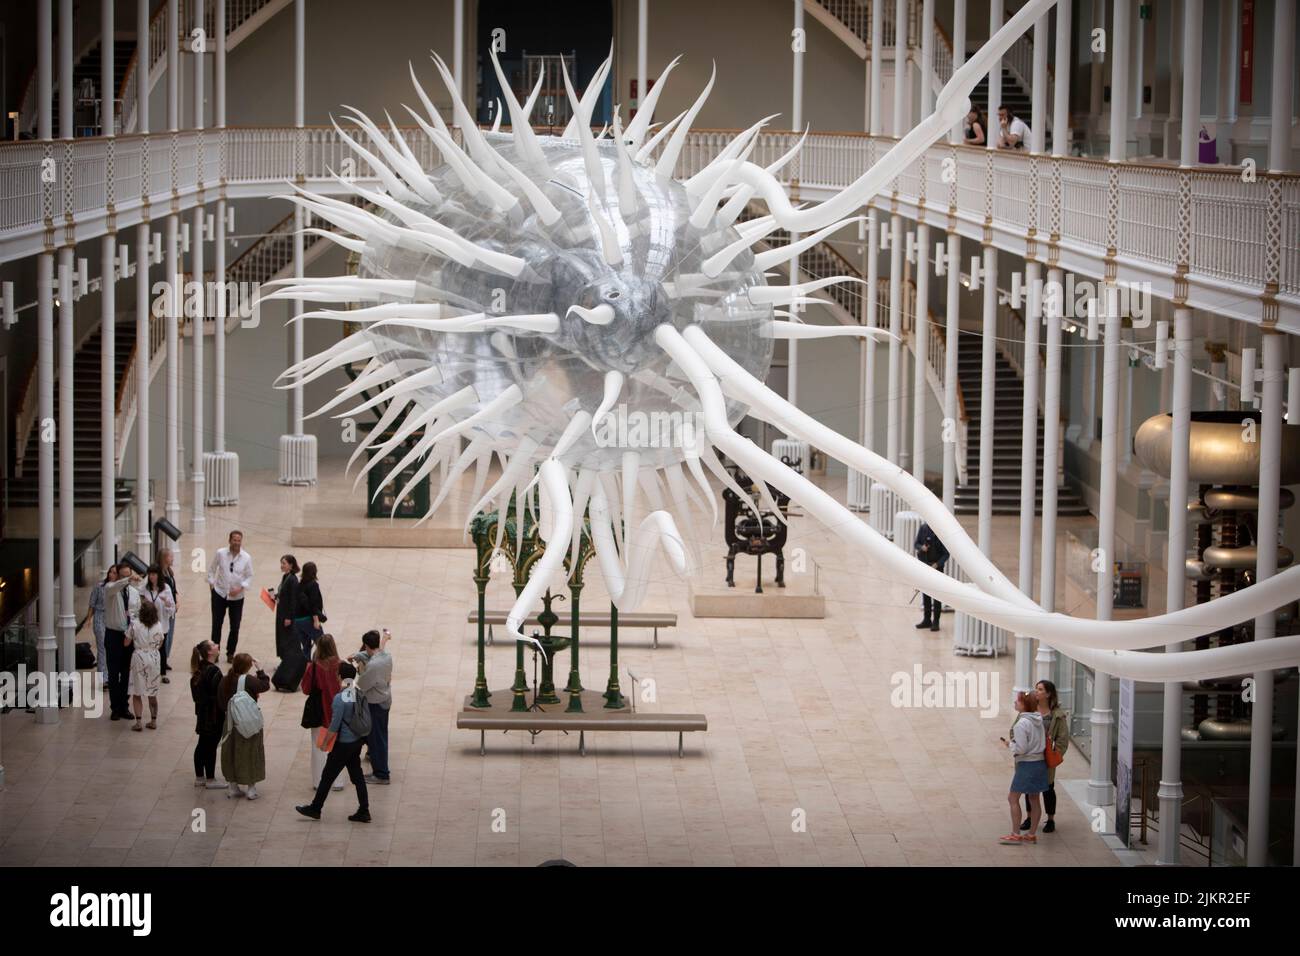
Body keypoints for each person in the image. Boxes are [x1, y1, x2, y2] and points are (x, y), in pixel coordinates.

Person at [295, 660, 371, 822]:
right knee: (357, 776)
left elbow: (334, 725)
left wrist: (324, 743)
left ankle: (315, 808)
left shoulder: (340, 698)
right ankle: (364, 810)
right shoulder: (357, 692)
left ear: (340, 677)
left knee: (327, 776)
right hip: (356, 742)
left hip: (343, 744)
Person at [218, 652, 271, 799]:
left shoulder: (224, 680)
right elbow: (265, 685)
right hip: (247, 724)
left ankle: (233, 787)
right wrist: (260, 670)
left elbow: (221, 702)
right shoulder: (248, 680)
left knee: (231, 753)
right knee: (251, 753)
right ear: (248, 666)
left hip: (230, 723)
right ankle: (251, 789)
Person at [1019, 679, 1069, 833]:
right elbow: (1016, 729)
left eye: (1040, 689)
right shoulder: (1029, 711)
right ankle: (1029, 817)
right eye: (1036, 688)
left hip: (1045, 758)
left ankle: (1051, 819)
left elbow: (1062, 739)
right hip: (1029, 757)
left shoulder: (1056, 716)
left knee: (1048, 788)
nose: (1037, 691)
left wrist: (1055, 754)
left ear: (1048, 694)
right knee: (1029, 789)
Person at [1001, 690, 1047, 845]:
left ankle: (1015, 833)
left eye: (1018, 701)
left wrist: (1010, 745)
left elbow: (1021, 749)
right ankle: (1031, 834)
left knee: (1013, 798)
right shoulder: (1038, 720)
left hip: (1027, 764)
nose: (1015, 702)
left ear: (1024, 705)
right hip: (1040, 763)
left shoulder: (1022, 724)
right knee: (1034, 799)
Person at [300, 634, 345, 792]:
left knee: (318, 747)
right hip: (339, 713)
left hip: (319, 713)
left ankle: (318, 781)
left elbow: (305, 689)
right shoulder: (342, 666)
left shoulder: (314, 667)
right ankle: (338, 782)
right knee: (337, 747)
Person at [102, 560, 142, 721]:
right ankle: (115, 707)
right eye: (124, 576)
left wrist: (130, 634)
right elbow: (115, 586)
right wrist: (128, 579)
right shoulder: (110, 589)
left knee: (126, 672)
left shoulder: (133, 592)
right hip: (113, 635)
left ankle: (124, 706)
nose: (128, 579)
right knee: (113, 673)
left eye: (129, 574)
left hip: (128, 635)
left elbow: (136, 615)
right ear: (118, 576)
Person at [354, 629, 393, 785]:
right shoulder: (386, 656)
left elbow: (362, 684)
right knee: (379, 737)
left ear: (367, 646)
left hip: (375, 704)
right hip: (384, 700)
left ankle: (382, 774)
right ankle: (379, 770)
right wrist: (357, 656)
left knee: (377, 740)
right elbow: (373, 654)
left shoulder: (374, 666)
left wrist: (359, 671)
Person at [208, 530, 253, 661]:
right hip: (219, 593)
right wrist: (212, 586)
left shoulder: (246, 557)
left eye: (239, 540)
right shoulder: (220, 553)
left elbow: (249, 576)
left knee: (235, 626)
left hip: (237, 597)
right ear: (230, 540)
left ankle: (230, 653)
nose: (237, 543)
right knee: (217, 624)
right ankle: (215, 652)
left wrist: (240, 588)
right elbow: (211, 570)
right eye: (234, 540)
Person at [190, 640, 227, 789]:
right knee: (211, 746)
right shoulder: (214, 671)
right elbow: (221, 694)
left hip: (202, 714)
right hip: (214, 715)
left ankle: (200, 777)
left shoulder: (199, 669)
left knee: (202, 744)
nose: (217, 645)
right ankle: (210, 779)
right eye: (214, 645)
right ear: (209, 652)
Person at [125, 598, 165, 731]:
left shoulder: (135, 624)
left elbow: (126, 642)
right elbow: (160, 643)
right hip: (154, 657)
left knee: (137, 692)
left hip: (139, 657)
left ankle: (138, 722)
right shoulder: (158, 625)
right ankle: (153, 721)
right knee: (152, 692)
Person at [142, 564, 176, 684]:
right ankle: (150, 672)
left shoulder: (166, 588)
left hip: (162, 624)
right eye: (150, 574)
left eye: (154, 574)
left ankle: (162, 674)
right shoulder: (145, 589)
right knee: (149, 648)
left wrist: (166, 603)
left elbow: (172, 608)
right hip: (148, 624)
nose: (152, 577)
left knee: (161, 649)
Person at [913, 523, 949, 631]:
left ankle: (936, 621)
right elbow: (916, 544)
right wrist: (921, 547)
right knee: (926, 593)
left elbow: (946, 554)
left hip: (936, 567)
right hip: (925, 565)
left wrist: (937, 564)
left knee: (937, 595)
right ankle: (927, 619)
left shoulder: (941, 532)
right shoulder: (923, 528)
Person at [85, 564, 117, 686]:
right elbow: (92, 603)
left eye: (114, 573)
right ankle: (103, 679)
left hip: (112, 618)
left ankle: (110, 675)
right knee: (102, 647)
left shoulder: (118, 588)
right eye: (110, 572)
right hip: (99, 616)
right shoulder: (99, 586)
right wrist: (88, 619)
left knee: (111, 648)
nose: (111, 575)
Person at [294, 561, 326, 660]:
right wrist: (316, 621)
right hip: (308, 619)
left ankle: (306, 667)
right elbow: (313, 604)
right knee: (323, 644)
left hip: (297, 621)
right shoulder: (313, 585)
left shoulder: (299, 585)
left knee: (306, 646)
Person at [274, 554, 301, 662]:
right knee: (281, 637)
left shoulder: (293, 580)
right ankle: (283, 659)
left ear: (291, 565)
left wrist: (289, 617)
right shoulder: (285, 576)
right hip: (281, 611)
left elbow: (293, 600)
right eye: (281, 563)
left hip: (287, 614)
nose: (282, 566)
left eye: (284, 563)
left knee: (286, 639)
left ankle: (288, 661)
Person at [159, 548, 180, 682]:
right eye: (170, 556)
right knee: (165, 634)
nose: (172, 559)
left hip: (172, 607)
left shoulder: (169, 573)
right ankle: (162, 660)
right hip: (165, 609)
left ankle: (165, 658)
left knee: (170, 634)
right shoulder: (161, 575)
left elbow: (174, 589)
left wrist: (177, 600)